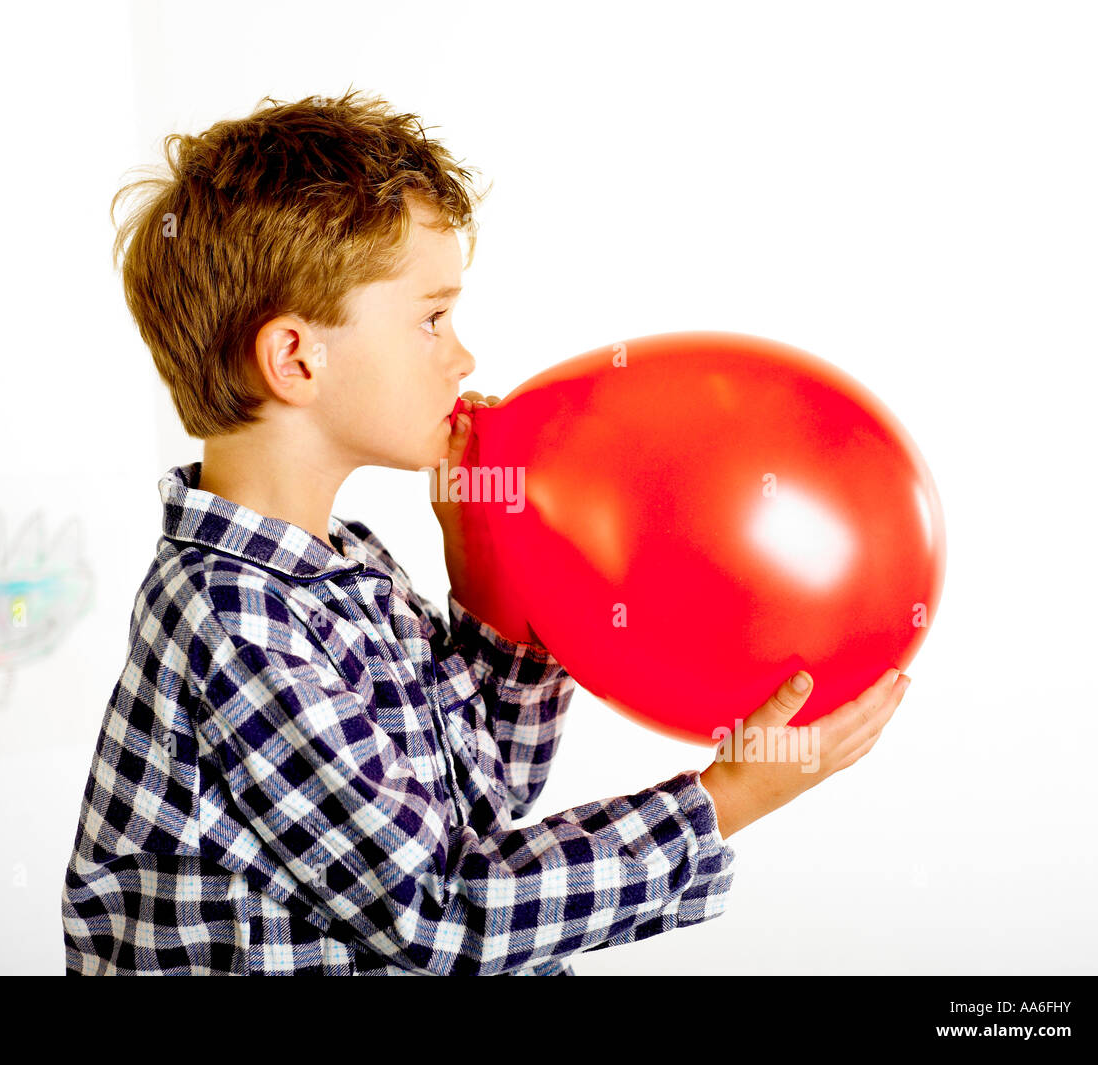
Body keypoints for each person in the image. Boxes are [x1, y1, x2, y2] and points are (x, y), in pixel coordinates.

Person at [60, 89, 911, 976]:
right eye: (431, 318)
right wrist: (723, 800)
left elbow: (484, 796)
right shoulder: (230, 617)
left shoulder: (346, 568)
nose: (462, 357)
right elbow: (442, 908)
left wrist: (487, 590)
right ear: (296, 359)